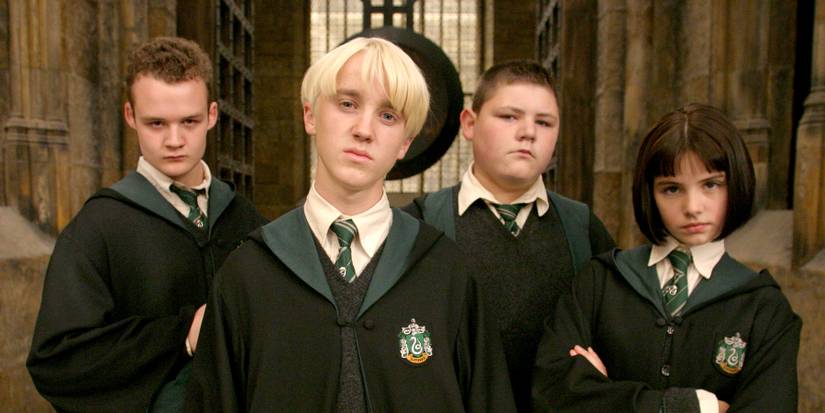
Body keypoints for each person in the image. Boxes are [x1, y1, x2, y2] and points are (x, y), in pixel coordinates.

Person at [185, 36, 515, 412]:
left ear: (405, 143)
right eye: (347, 104)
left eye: (388, 116)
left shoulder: (445, 273)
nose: (364, 129)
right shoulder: (249, 274)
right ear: (310, 115)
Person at [26, 36, 267, 412]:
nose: (175, 140)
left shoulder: (243, 218)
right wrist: (181, 335)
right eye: (156, 123)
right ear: (130, 116)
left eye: (189, 121)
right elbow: (57, 360)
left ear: (212, 115)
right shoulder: (99, 227)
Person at [533, 103, 801, 412]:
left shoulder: (763, 308)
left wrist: (603, 396)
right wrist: (691, 407)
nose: (693, 207)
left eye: (711, 184)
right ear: (649, 193)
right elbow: (553, 395)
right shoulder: (601, 281)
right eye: (672, 189)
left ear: (736, 184)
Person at [402, 59, 615, 411]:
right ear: (469, 124)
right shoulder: (421, 225)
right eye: (509, 117)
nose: (528, 132)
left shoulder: (582, 229)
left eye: (544, 122)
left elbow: (617, 333)